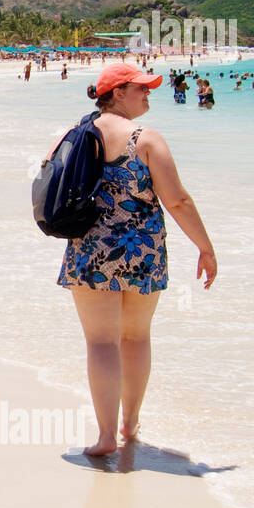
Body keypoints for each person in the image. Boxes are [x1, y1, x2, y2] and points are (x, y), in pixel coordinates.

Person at [51, 63, 217, 456]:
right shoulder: (146, 139)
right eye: (141, 88)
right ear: (118, 92)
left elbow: (48, 176)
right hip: (141, 251)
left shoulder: (79, 132)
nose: (148, 94)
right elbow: (177, 199)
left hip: (90, 249)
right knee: (135, 337)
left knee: (101, 342)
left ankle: (106, 435)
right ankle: (129, 425)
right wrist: (205, 247)